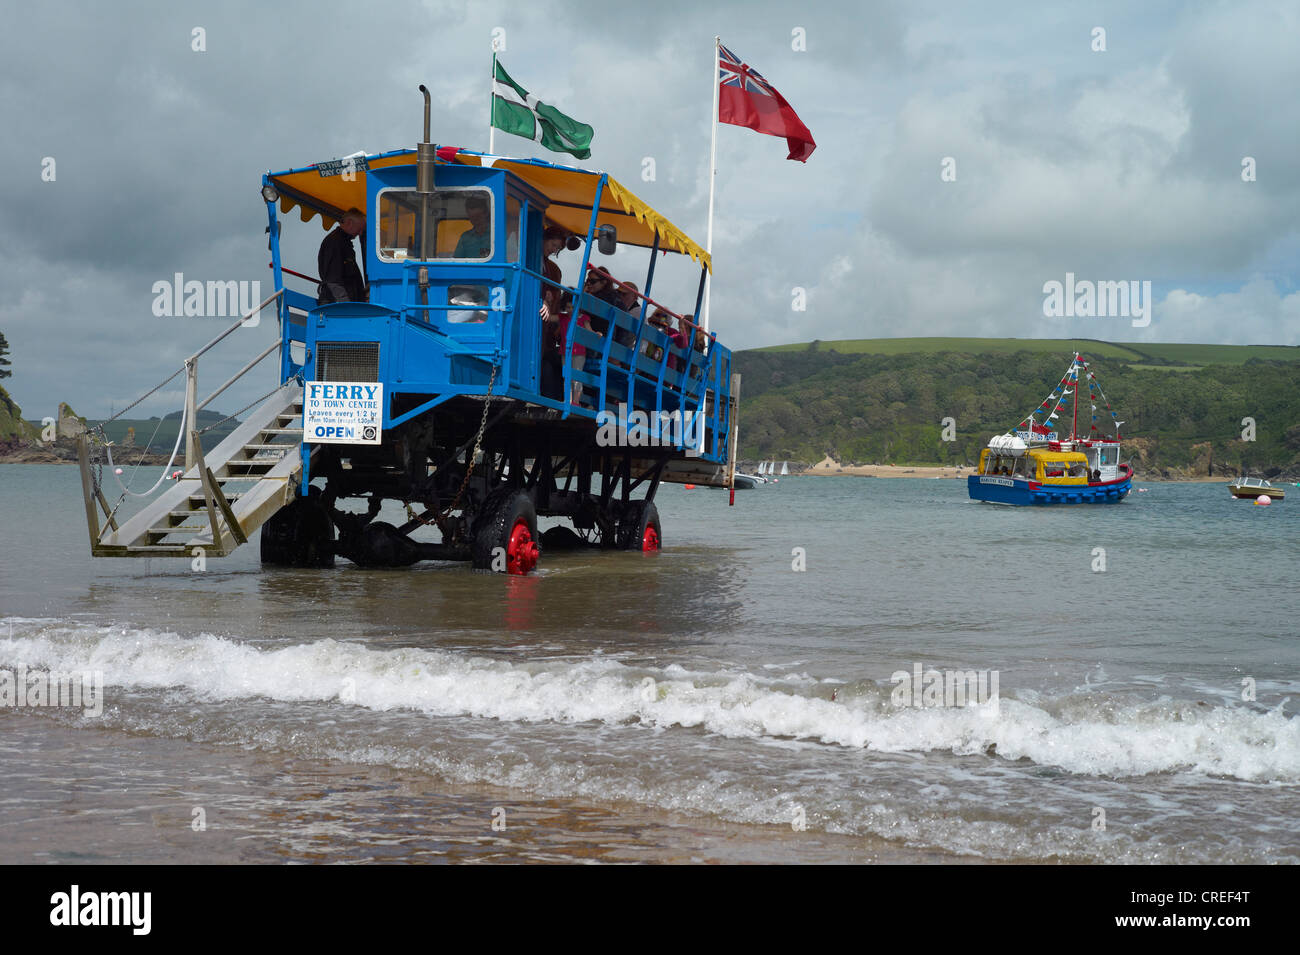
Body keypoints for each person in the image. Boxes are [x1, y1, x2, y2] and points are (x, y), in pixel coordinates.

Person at [317, 208, 367, 305]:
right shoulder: (335, 242)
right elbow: (333, 280)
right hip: (336, 306)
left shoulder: (344, 243)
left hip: (343, 303)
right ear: (349, 223)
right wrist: (345, 305)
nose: (360, 233)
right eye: (360, 229)